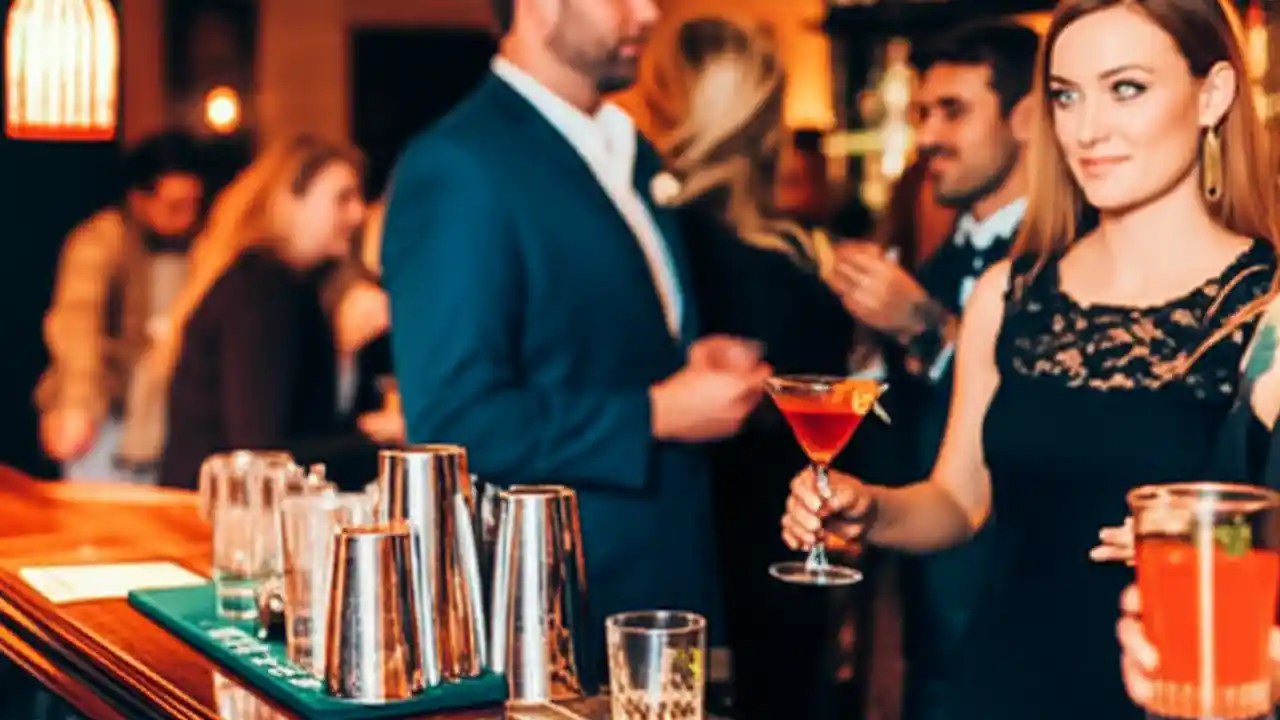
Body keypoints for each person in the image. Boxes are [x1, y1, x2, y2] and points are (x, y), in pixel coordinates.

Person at [781, 0, 1278, 718]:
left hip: (1172, 692)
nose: (1087, 129)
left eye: (1126, 88)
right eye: (1066, 96)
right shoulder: (1009, 293)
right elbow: (959, 500)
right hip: (998, 682)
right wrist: (869, 510)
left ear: (1214, 94)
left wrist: (1201, 540)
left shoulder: (1264, 313)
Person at [380, 0, 770, 663]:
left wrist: (686, 359)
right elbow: (452, 420)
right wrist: (659, 411)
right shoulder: (458, 164)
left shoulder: (630, 148)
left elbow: (596, 343)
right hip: (567, 611)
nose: (646, 16)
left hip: (675, 583)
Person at [825, 21, 1039, 720]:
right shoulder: (932, 264)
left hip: (1019, 600)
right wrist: (866, 358)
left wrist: (926, 327)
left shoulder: (1064, 262)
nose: (927, 137)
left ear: (1028, 117)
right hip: (924, 601)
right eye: (922, 112)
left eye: (954, 111)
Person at [156, 135, 384, 490]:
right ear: (289, 200)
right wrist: (379, 445)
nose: (357, 214)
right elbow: (261, 449)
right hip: (217, 524)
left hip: (214, 515)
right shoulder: (264, 290)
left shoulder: (266, 282)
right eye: (342, 198)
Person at [36, 131, 205, 483]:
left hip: (173, 423)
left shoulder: (205, 246)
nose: (186, 218)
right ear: (139, 199)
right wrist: (78, 404)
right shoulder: (101, 242)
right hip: (110, 416)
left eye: (193, 205)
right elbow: (77, 326)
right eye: (174, 206)